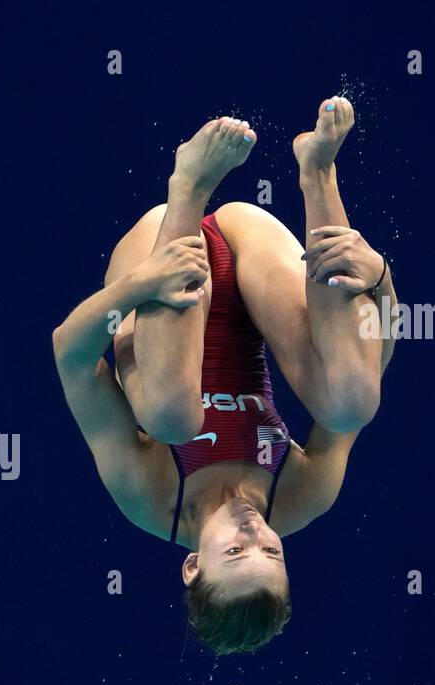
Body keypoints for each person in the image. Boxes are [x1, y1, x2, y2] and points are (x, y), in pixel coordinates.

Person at [52, 97, 398, 654]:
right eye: (272, 551)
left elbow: (71, 354)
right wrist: (381, 280)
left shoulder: (149, 496)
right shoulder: (305, 495)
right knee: (353, 402)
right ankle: (319, 172)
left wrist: (139, 286)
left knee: (169, 416)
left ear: (192, 565)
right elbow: (370, 362)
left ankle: (187, 183)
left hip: (160, 255)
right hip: (250, 252)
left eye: (235, 553)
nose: (255, 533)